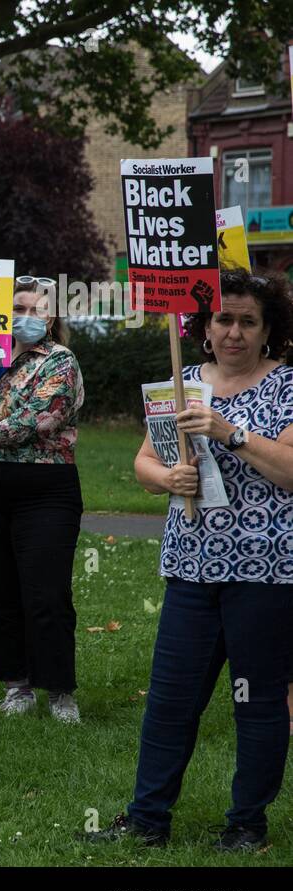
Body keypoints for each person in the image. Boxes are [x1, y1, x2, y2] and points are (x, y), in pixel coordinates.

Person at [92, 270, 293, 851]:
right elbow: (143, 463)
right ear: (204, 326)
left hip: (266, 571)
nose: (233, 332)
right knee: (171, 702)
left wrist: (231, 434)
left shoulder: (287, 388)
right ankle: (147, 820)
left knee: (256, 703)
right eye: (223, 319)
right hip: (191, 568)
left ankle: (246, 826)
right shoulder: (179, 384)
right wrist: (165, 476)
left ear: (267, 330)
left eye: (247, 321)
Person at [0, 276, 85, 722]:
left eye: (37, 311)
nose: (26, 318)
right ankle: (16, 685)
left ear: (52, 319)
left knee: (45, 590)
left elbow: (42, 415)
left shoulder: (60, 361)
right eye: (19, 308)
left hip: (45, 488)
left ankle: (60, 689)